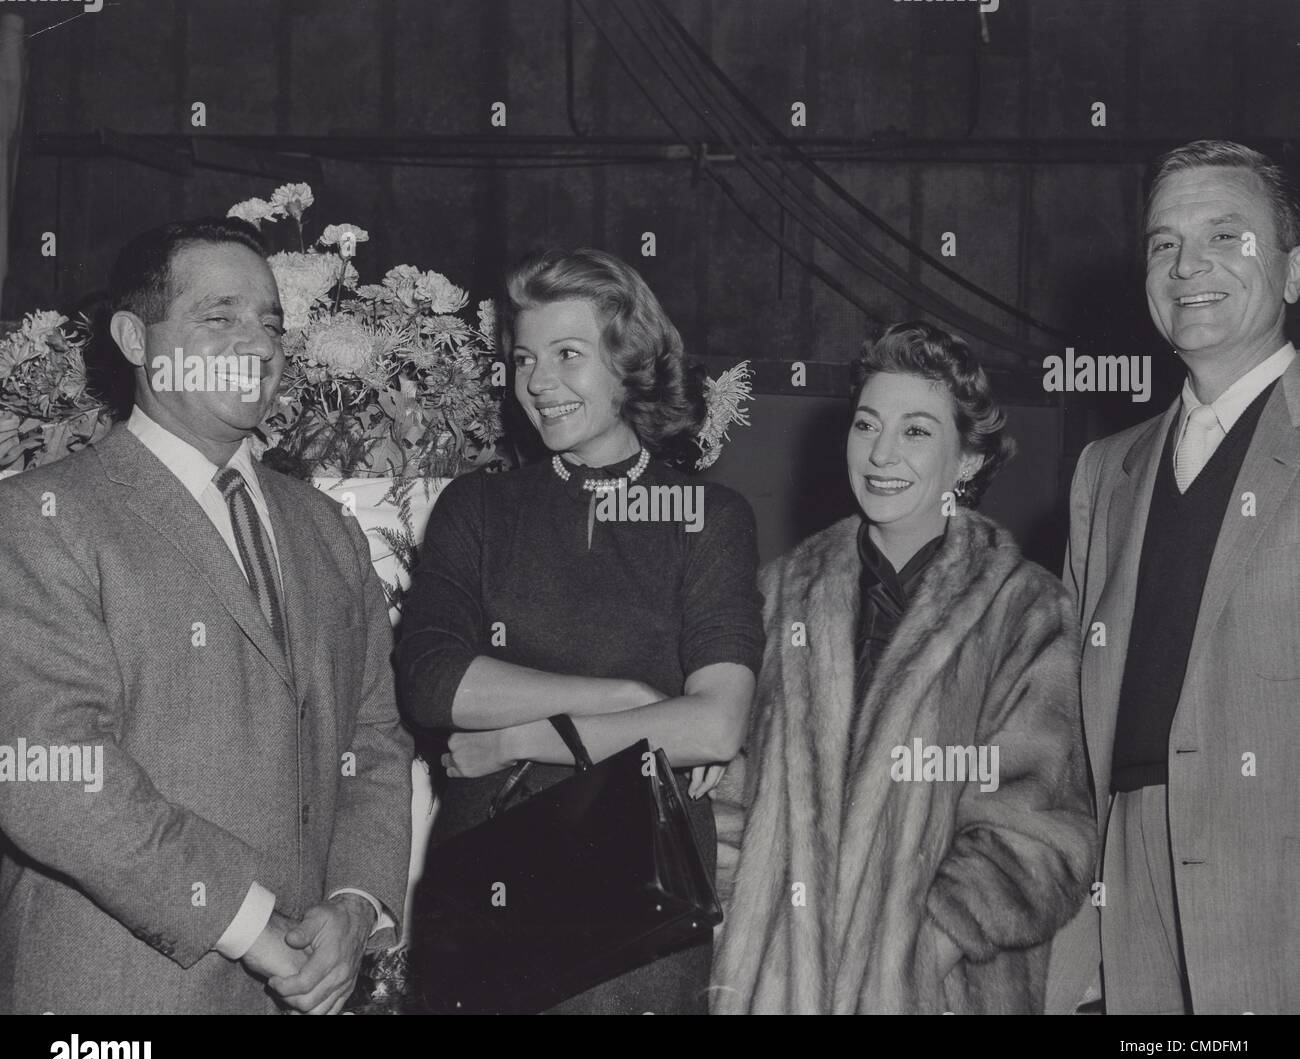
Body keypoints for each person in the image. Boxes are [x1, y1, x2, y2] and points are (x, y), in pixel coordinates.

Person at [0, 217, 412, 1014]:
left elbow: (375, 742)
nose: (256, 344)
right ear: (133, 338)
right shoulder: (42, 519)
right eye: (218, 318)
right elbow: (48, 769)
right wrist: (257, 928)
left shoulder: (326, 530)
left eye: (270, 323)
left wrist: (357, 905)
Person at [396, 247, 763, 1014]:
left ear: (631, 362)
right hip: (486, 901)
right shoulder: (478, 509)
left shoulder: (708, 519)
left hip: (641, 911)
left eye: (568, 354)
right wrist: (630, 700)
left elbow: (716, 723)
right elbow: (432, 682)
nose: (537, 382)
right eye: (526, 358)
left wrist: (517, 736)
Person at [711, 321, 1095, 1014]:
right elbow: (733, 800)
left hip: (938, 993)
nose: (882, 453)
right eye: (866, 425)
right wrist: (745, 925)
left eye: (916, 431)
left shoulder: (1023, 608)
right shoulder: (780, 591)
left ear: (968, 460)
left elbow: (1037, 833)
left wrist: (916, 953)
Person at [1047, 141, 1300, 1014]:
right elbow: (1065, 710)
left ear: (1294, 272)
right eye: (1164, 244)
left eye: (1227, 236)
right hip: (1126, 877)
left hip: (1278, 873)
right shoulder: (1104, 471)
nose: (1189, 264)